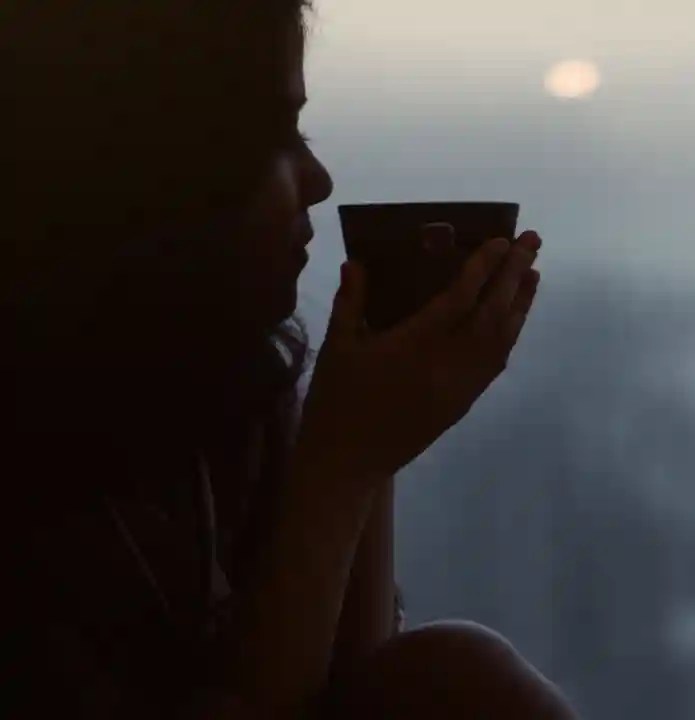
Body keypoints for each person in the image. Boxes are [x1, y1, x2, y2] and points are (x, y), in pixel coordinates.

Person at [2, 1, 575, 718]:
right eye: (273, 137)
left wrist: (368, 444)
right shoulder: (39, 495)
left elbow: (355, 688)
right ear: (145, 169)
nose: (319, 179)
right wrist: (344, 461)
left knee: (454, 670)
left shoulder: (232, 393)